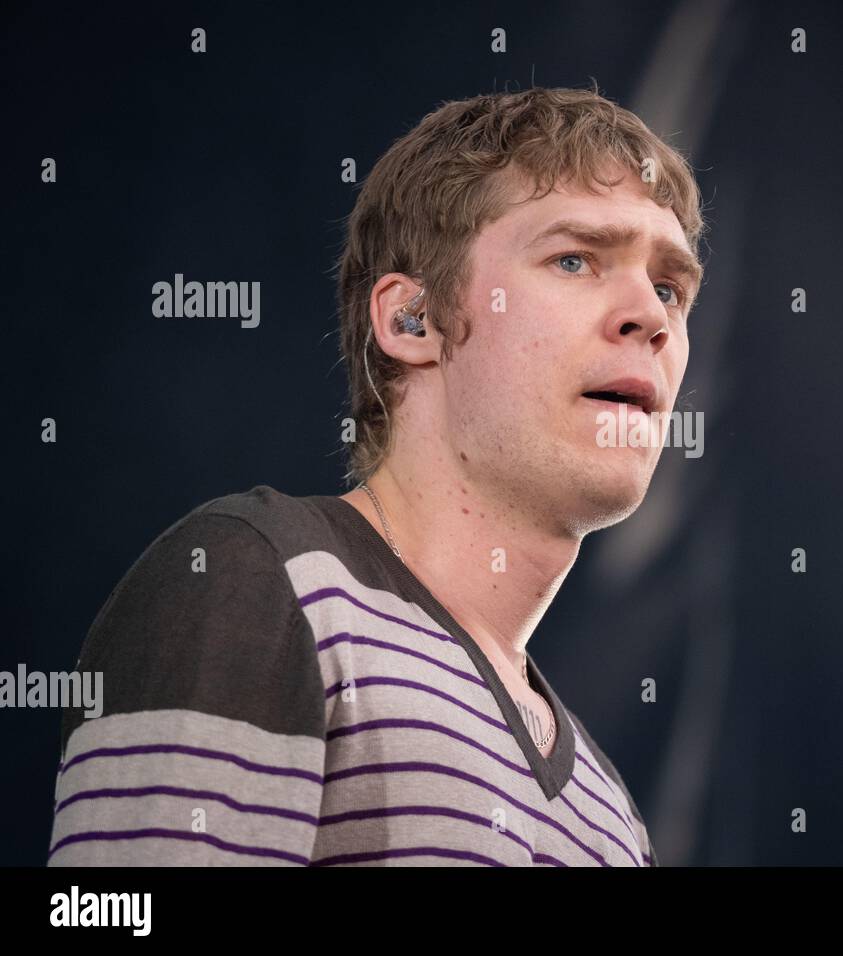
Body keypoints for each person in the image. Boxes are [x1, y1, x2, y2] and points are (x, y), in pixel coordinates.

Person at [47, 86, 706, 867]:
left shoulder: (614, 820)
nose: (652, 316)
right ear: (412, 321)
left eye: (669, 287)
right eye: (574, 259)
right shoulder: (259, 583)